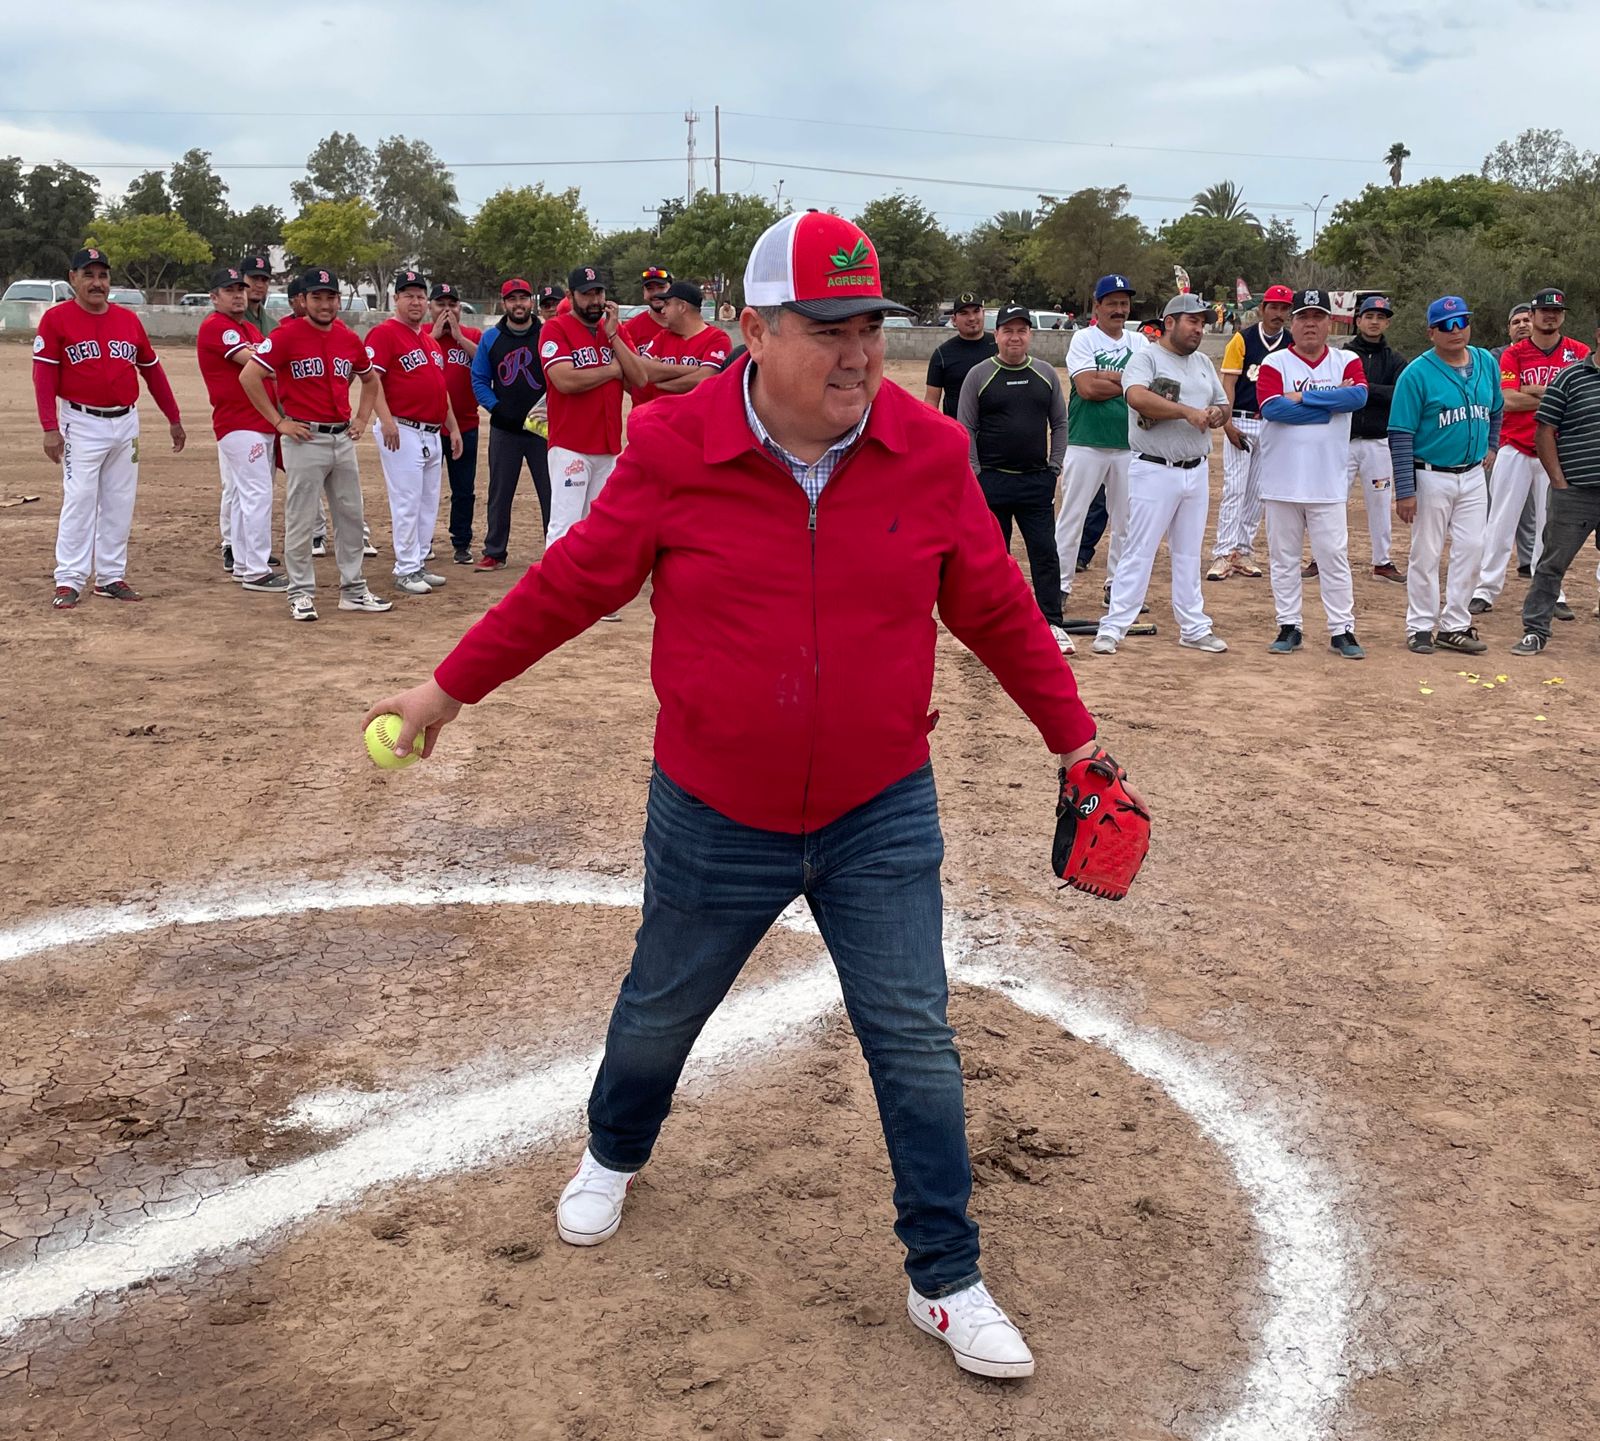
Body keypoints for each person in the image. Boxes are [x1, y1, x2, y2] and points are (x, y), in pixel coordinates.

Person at [363, 209, 1148, 1383]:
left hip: (879, 807)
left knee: (915, 1039)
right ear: (754, 329)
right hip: (714, 809)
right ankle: (614, 1151)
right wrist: (444, 689)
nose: (856, 353)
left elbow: (989, 605)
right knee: (657, 1015)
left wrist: (1075, 744)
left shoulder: (926, 452)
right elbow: (574, 582)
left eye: (870, 325)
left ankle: (944, 1274)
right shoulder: (675, 443)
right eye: (826, 327)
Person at [33, 246, 185, 610]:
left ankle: (110, 576)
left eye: (102, 275)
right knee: (80, 499)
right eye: (89, 275)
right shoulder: (56, 319)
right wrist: (49, 427)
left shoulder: (128, 321)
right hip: (81, 422)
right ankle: (68, 579)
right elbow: (43, 376)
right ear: (73, 279)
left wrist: (174, 417)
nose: (97, 282)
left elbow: (152, 370)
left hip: (125, 420)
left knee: (119, 501)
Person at [239, 267, 392, 622]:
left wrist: (361, 418)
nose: (325, 304)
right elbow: (250, 375)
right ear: (303, 300)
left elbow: (370, 380)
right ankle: (300, 593)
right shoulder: (286, 335)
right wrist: (278, 422)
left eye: (330, 297)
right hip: (304, 438)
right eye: (317, 297)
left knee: (351, 516)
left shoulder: (348, 337)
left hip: (341, 438)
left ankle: (353, 590)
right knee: (301, 520)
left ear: (339, 300)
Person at [1095, 292, 1229, 656]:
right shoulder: (1147, 357)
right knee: (1139, 549)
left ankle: (1193, 626)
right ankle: (1114, 626)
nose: (1199, 329)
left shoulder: (1202, 361)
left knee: (1188, 553)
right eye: (1192, 322)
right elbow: (1136, 397)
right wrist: (1186, 412)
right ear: (1169, 323)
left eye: (1202, 323)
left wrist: (1218, 415)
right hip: (1154, 467)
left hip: (1195, 469)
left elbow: (1222, 403)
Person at [1254, 289, 1370, 659]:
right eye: (1303, 316)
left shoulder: (1346, 359)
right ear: (1292, 322)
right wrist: (1328, 407)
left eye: (1318, 317)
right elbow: (1272, 408)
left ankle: (1342, 629)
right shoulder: (1275, 363)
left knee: (1333, 556)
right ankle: (1289, 625)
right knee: (1283, 557)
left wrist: (1303, 398)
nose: (1310, 323)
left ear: (1329, 322)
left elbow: (1358, 398)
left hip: (1327, 480)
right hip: (1281, 479)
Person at [955, 303, 1074, 654]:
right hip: (993, 481)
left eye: (1021, 331)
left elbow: (1061, 423)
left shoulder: (1045, 374)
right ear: (997, 336)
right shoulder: (979, 375)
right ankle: (995, 626)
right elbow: (966, 427)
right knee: (994, 557)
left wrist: (1055, 466)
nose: (1015, 337)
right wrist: (976, 475)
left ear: (1030, 335)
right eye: (1008, 331)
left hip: (1036, 481)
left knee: (1045, 554)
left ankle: (1052, 622)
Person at [1386, 296, 1503, 655]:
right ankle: (1420, 625)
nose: (1456, 331)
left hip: (1471, 475)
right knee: (1427, 551)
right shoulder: (1416, 374)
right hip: (1430, 474)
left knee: (1472, 548)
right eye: (1446, 325)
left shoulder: (1486, 362)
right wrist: (1405, 490)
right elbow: (1400, 433)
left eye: (1462, 322)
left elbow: (1496, 408)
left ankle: (1455, 624)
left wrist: (1493, 445)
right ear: (1431, 332)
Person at [1472, 288, 1590, 619]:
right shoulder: (1515, 353)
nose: (1550, 316)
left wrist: (1533, 391)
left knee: (1551, 526)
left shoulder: (1578, 352)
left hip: (1558, 450)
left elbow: (1580, 400)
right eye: (1544, 311)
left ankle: (1552, 591)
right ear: (1534, 315)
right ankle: (1485, 589)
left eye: (1557, 311)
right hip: (1515, 445)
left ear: (1563, 315)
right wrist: (1556, 397)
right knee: (1500, 521)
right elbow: (1508, 400)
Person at [358, 270, 463, 597]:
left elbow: (440, 388)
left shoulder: (429, 340)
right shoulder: (384, 333)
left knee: (427, 502)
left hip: (431, 432)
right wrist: (386, 421)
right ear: (396, 299)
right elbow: (371, 381)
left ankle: (417, 562)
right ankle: (405, 568)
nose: (415, 301)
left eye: (420, 296)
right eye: (409, 295)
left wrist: (453, 426)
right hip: (401, 429)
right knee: (407, 501)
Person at [1053, 275, 1146, 611]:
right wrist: (1129, 382)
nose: (1119, 310)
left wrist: (1107, 376)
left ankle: (1117, 587)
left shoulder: (1140, 343)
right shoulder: (1084, 339)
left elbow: (1149, 388)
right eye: (1112, 303)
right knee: (1071, 518)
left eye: (1124, 304)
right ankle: (1059, 588)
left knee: (1126, 521)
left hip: (1128, 443)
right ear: (1097, 305)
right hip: (1086, 440)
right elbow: (1087, 389)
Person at [1510, 320, 1600, 654]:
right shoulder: (1570, 377)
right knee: (1551, 564)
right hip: (1575, 490)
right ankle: (1535, 630)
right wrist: (1559, 482)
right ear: (1598, 335)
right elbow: (1544, 430)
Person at [197, 264, 284, 593]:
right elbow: (261, 365)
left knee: (245, 494)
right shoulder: (219, 326)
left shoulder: (247, 328)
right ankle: (256, 570)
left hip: (255, 421)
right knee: (256, 494)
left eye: (240, 290)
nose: (238, 295)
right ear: (214, 297)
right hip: (240, 422)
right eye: (230, 290)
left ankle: (246, 564)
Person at [1208, 283, 1292, 580]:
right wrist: (1227, 422)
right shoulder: (1242, 339)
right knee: (1235, 487)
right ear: (1262, 309)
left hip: (1271, 423)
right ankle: (1223, 552)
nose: (1278, 313)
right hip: (1241, 419)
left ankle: (1243, 550)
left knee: (1258, 490)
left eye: (1284, 308)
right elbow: (1228, 383)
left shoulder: (1290, 343)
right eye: (1274, 307)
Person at [540, 265, 624, 553]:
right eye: (586, 294)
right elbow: (564, 380)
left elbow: (640, 377)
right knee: (565, 526)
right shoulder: (555, 328)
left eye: (598, 292)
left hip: (608, 443)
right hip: (571, 445)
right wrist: (612, 370)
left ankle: (584, 592)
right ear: (571, 296)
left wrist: (614, 336)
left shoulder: (611, 329)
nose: (595, 300)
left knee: (597, 528)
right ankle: (554, 594)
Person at [470, 278, 551, 571]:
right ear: (504, 303)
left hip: (542, 428)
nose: (519, 304)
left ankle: (555, 550)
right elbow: (478, 378)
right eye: (512, 299)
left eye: (523, 298)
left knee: (551, 491)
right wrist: (495, 407)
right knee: (500, 491)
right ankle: (495, 551)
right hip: (505, 428)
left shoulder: (547, 334)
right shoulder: (491, 338)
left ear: (532, 302)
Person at [1342, 295, 1407, 581]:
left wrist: (1363, 389)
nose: (1374, 322)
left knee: (1380, 503)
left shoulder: (1395, 360)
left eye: (1380, 317)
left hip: (1378, 443)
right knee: (1331, 502)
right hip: (1343, 441)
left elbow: (1399, 395)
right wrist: (1367, 392)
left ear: (1387, 322)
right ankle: (1323, 557)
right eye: (1369, 316)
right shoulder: (1343, 355)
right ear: (1358, 320)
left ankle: (1382, 561)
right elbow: (1338, 393)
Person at [427, 282, 483, 566]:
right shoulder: (423, 335)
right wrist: (435, 336)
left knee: (463, 489)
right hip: (429, 426)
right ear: (430, 307)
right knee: (426, 489)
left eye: (452, 305)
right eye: (440, 305)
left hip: (467, 423)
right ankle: (422, 542)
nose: (447, 311)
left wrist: (459, 337)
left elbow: (485, 363)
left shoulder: (472, 335)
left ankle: (461, 542)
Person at [609, 280, 728, 406]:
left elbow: (705, 378)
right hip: (659, 420)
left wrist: (662, 383)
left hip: (694, 423)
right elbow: (643, 370)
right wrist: (693, 370)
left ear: (682, 307)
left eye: (667, 304)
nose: (663, 310)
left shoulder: (717, 338)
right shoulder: (663, 336)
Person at [1495, 303, 1538, 577]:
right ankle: (1487, 574)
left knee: (1533, 513)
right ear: (1508, 328)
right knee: (1499, 511)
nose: (1522, 325)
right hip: (1505, 441)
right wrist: (1549, 395)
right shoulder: (1496, 356)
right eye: (1516, 321)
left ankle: (1528, 562)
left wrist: (1527, 389)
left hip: (1546, 444)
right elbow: (1505, 400)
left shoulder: (1560, 354)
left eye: (1526, 319)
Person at [923, 292, 996, 418]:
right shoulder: (942, 354)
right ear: (954, 320)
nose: (972, 318)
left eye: (976, 311)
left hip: (995, 432)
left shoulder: (999, 347)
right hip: (958, 431)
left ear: (983, 314)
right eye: (964, 313)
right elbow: (931, 401)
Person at [239, 254, 277, 339]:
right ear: (241, 278)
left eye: (264, 280)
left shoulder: (274, 326)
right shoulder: (223, 319)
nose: (260, 285)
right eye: (254, 278)